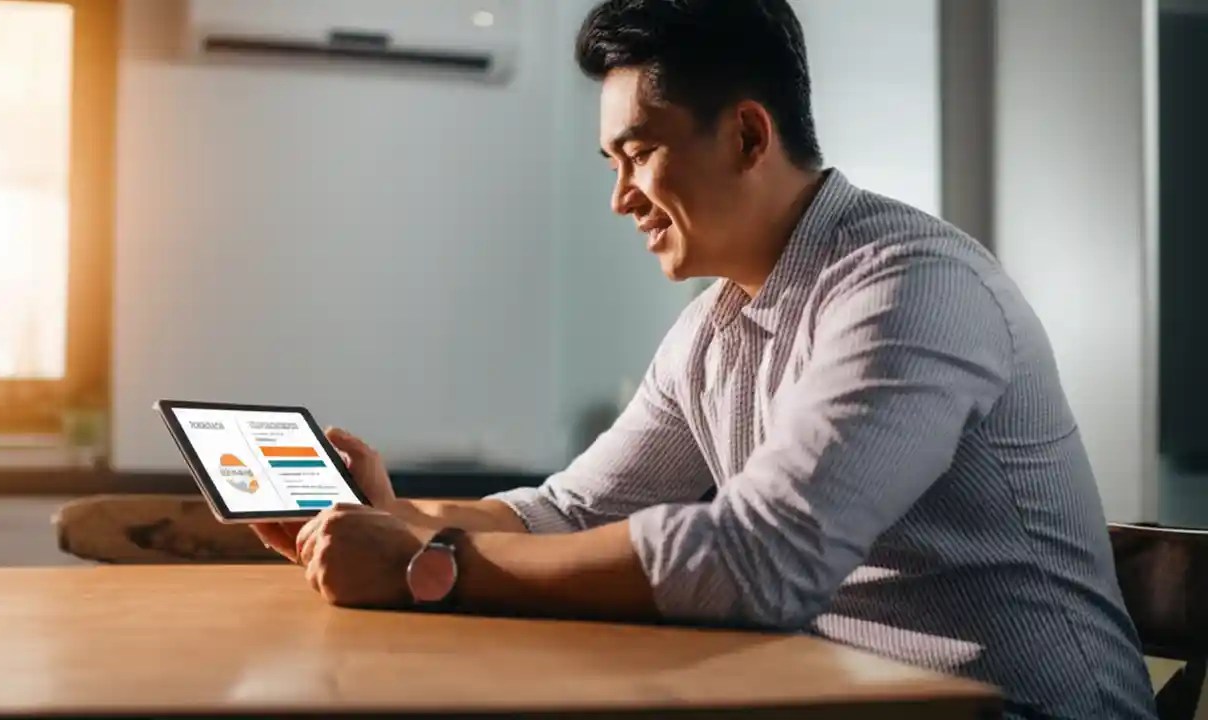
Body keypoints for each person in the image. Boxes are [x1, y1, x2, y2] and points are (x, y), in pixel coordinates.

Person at [253, 1, 1157, 716]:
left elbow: (763, 560)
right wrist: (394, 520)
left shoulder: (913, 287)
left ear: (748, 137)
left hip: (1022, 711)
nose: (620, 198)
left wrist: (429, 566)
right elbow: (570, 509)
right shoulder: (713, 329)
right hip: (844, 702)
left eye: (638, 154)